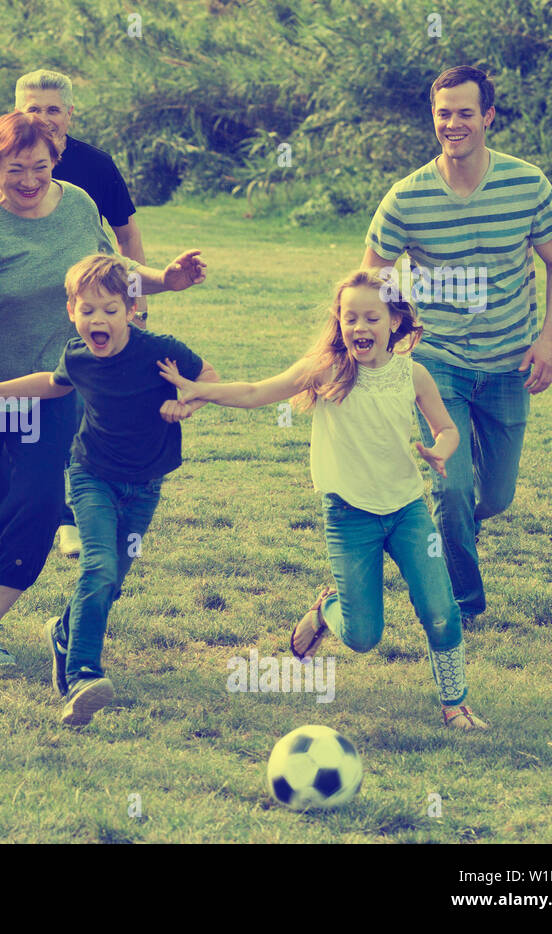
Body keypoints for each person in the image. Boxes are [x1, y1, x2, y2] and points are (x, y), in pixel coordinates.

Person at [0, 110, 206, 672]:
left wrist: (165, 280)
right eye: (15, 169)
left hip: (53, 389)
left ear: (56, 161)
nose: (30, 180)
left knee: (37, 507)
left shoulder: (79, 204)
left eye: (40, 166)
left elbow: (108, 273)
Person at [160, 270, 488, 729]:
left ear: (395, 321)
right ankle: (324, 610)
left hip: (407, 511)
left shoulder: (413, 375)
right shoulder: (328, 369)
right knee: (362, 636)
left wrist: (442, 451)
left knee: (439, 608)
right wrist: (202, 391)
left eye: (371, 317)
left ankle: (455, 703)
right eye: (349, 317)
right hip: (349, 516)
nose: (359, 327)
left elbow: (447, 429)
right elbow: (258, 392)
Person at [0, 255, 217, 726]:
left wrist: (186, 400)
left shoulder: (160, 351)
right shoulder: (77, 355)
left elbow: (210, 377)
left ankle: (64, 632)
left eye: (111, 310)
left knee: (112, 581)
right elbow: (52, 385)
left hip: (145, 484)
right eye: (88, 310)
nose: (99, 320)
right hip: (91, 476)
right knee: (98, 567)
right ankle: (82, 675)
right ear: (71, 310)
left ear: (132, 309)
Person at [361, 65, 552, 624]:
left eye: (464, 113)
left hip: (509, 363)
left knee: (493, 498)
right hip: (438, 365)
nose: (452, 124)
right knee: (451, 492)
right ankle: (461, 605)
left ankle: (443, 532)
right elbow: (372, 276)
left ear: (488, 117)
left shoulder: (527, 184)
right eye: (443, 114)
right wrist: (392, 332)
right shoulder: (406, 197)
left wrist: (547, 340)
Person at [0, 69, 148, 558]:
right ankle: (17, 511)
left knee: (75, 414)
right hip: (15, 319)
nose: (43, 119)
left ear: (69, 114)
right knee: (22, 424)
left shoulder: (95, 169)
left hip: (82, 314)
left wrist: (137, 304)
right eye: (31, 109)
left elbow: (127, 238)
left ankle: (69, 516)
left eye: (52, 109)